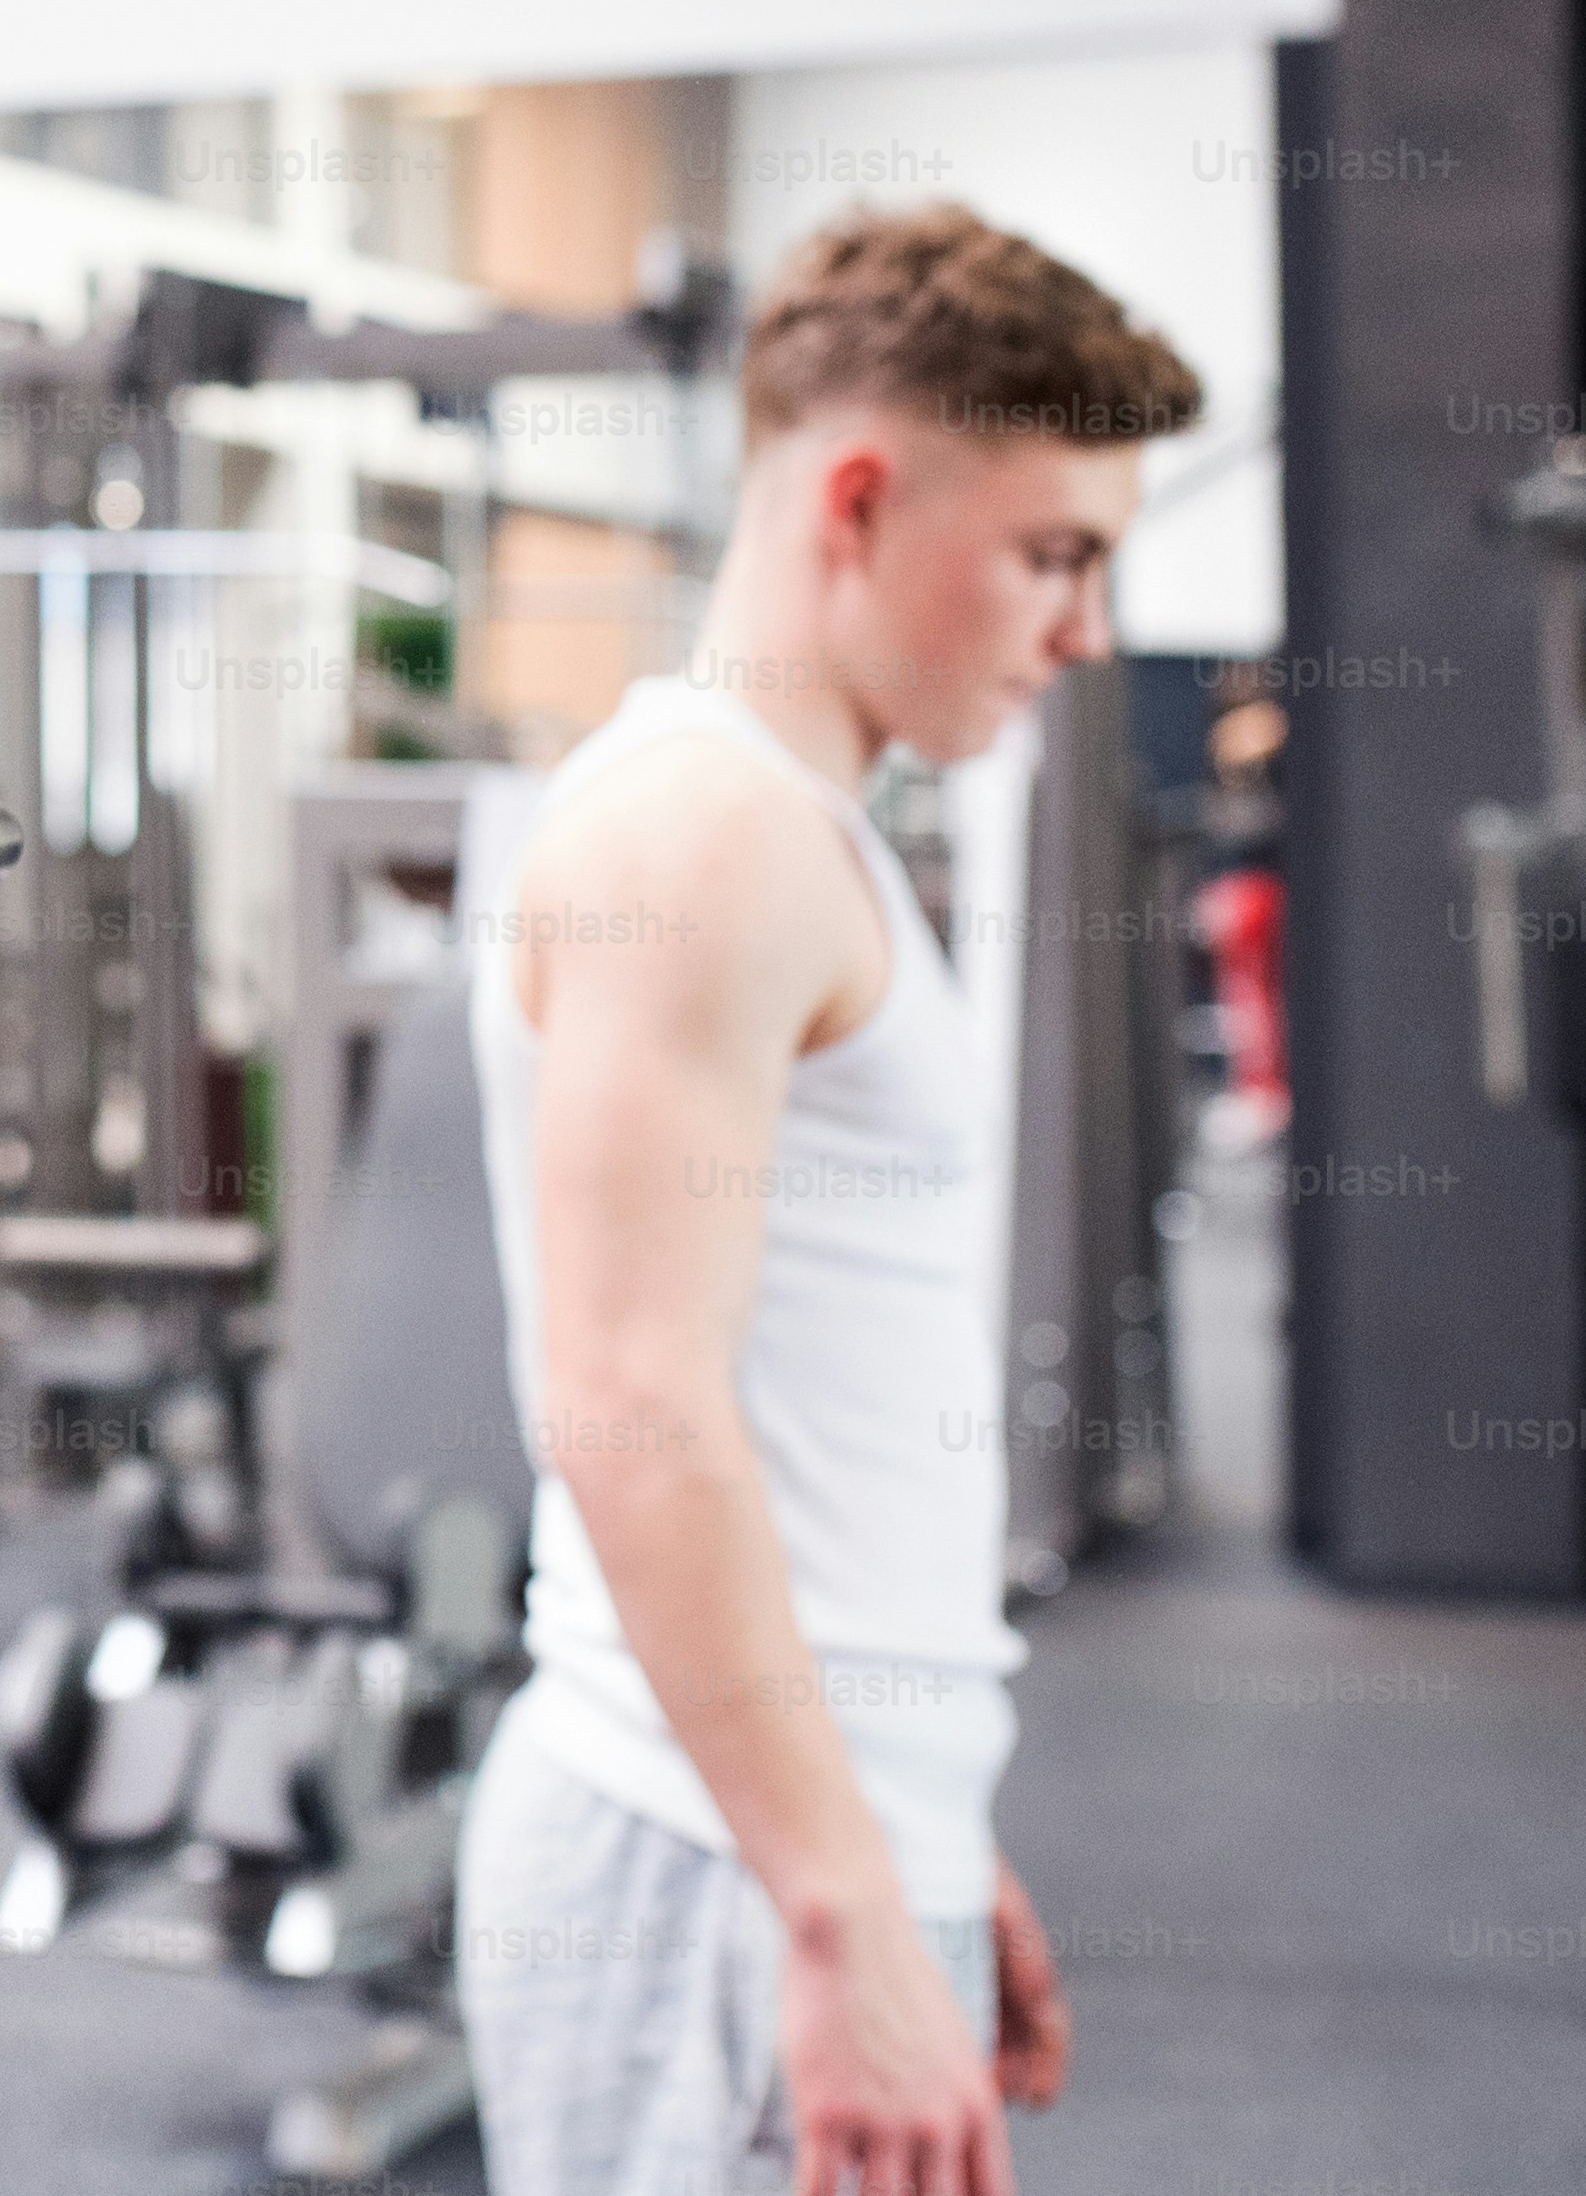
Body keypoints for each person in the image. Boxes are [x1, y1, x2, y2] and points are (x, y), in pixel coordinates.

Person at [459, 202, 1203, 2196]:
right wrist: (834, 1902)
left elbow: (819, 1422)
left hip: (773, 1840)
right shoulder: (706, 832)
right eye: (1056, 555)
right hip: (699, 1866)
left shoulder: (792, 833)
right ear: (860, 500)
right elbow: (634, 1404)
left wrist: (907, 1845)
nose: (1085, 631)